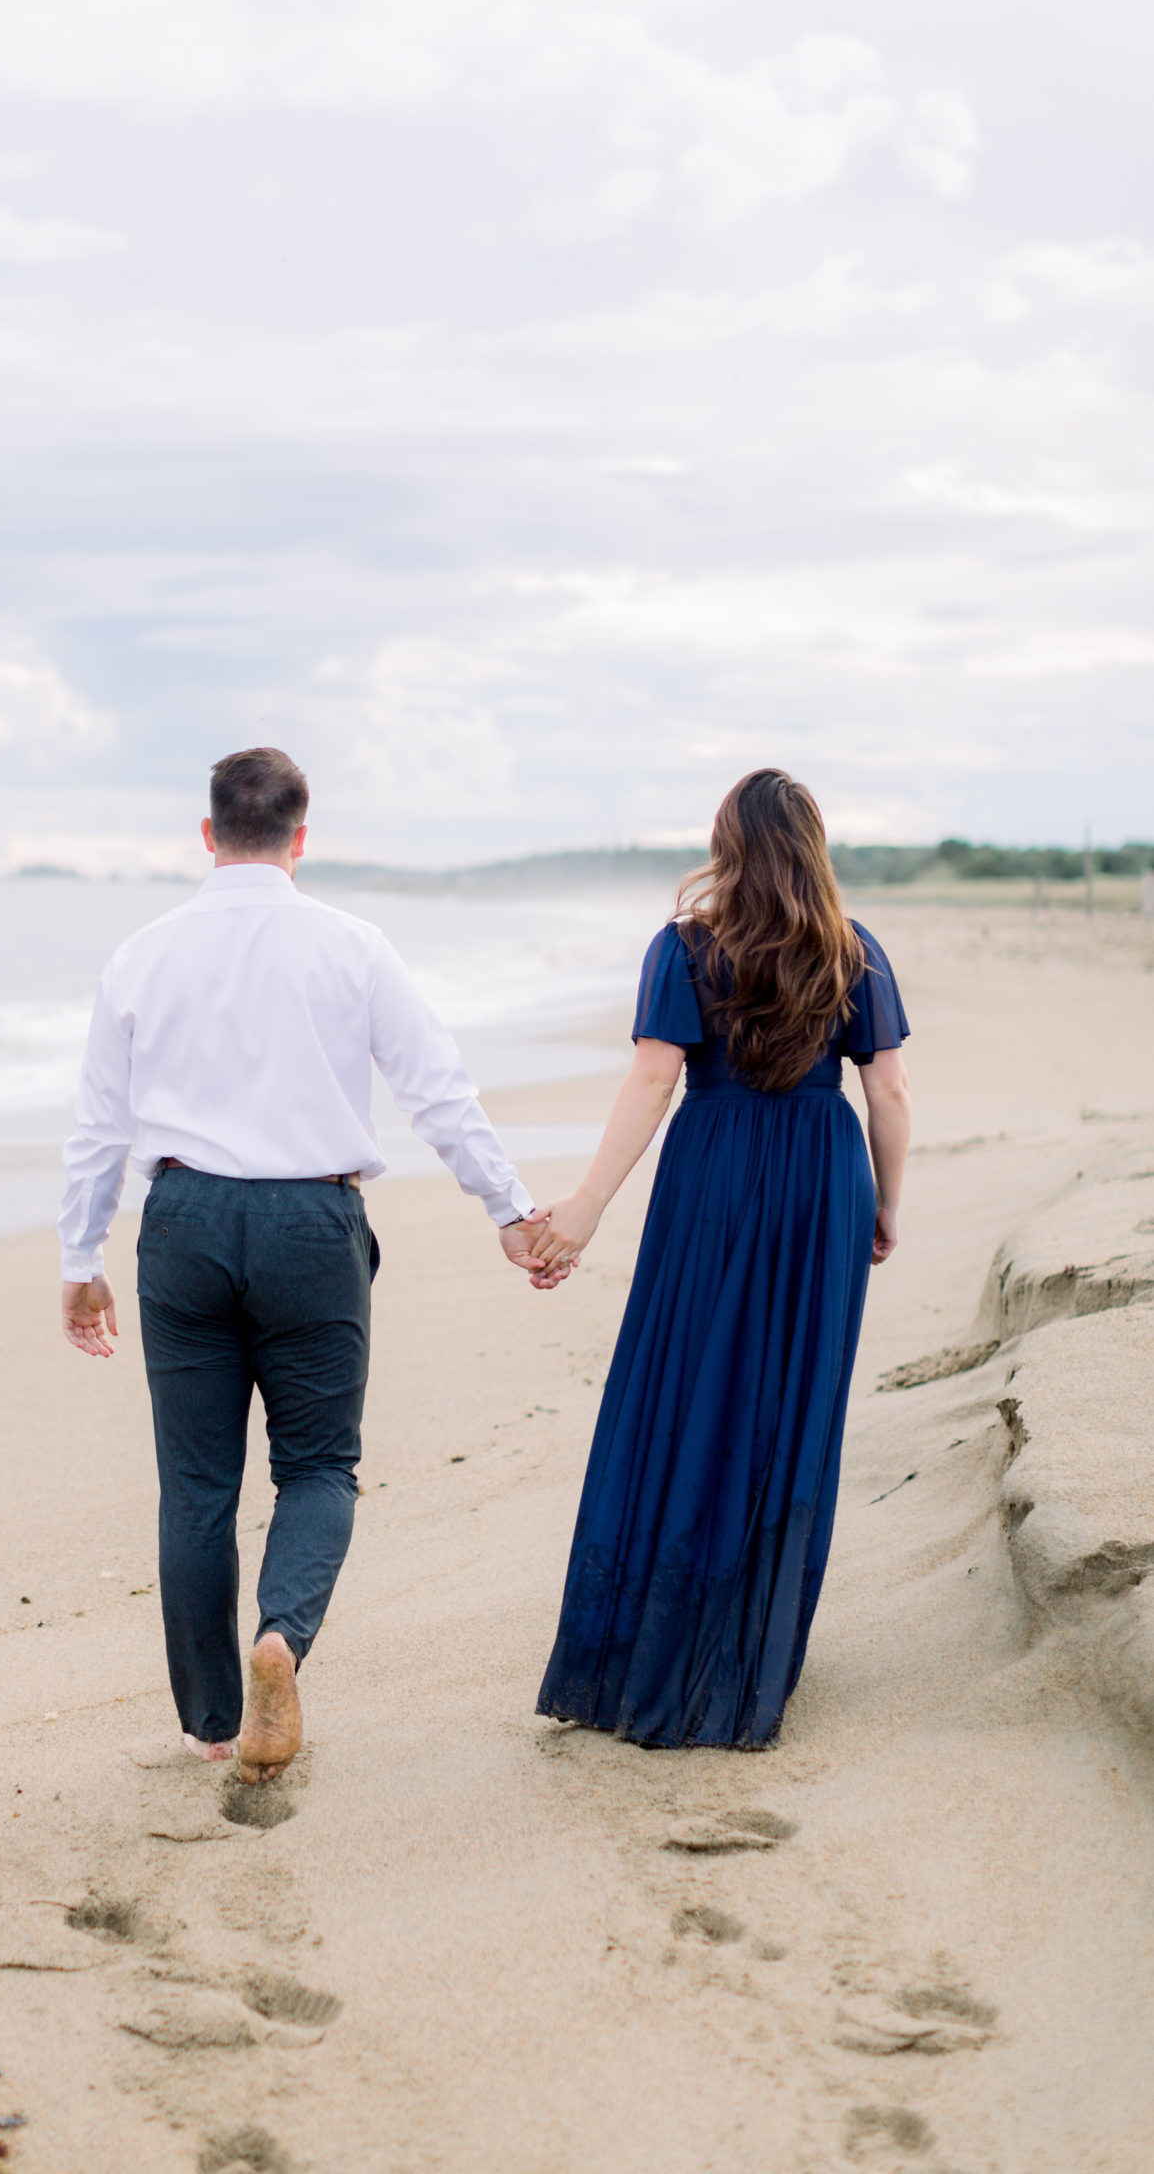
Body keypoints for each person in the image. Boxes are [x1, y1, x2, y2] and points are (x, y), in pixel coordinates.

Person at [57, 747, 542, 1782]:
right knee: (317, 1464)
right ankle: (280, 1636)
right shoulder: (352, 946)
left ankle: (209, 1723)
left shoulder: (141, 953)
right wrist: (506, 1207)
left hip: (182, 1220)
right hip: (310, 1224)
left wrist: (78, 1254)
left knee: (195, 1487)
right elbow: (435, 1088)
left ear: (206, 834)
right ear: (300, 836)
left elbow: (99, 1124)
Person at [524, 767, 910, 1750]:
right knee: (786, 1404)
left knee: (683, 1388)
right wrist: (885, 1204)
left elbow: (653, 1076)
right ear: (812, 847)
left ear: (725, 845)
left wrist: (583, 1208)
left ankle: (646, 1650)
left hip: (710, 1173)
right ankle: (748, 1652)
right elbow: (888, 1095)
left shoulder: (683, 947)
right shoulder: (852, 951)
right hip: (821, 1176)